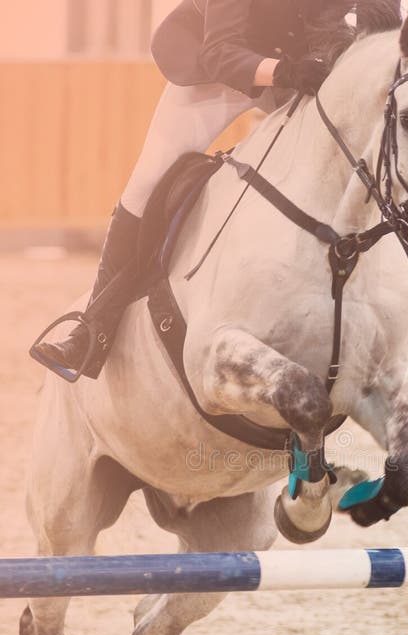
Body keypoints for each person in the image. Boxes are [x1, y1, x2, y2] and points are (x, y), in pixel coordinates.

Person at [39, 0, 337, 374]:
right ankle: (93, 329)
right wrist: (288, 71)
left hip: (295, 70)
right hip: (218, 67)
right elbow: (219, 52)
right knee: (147, 183)